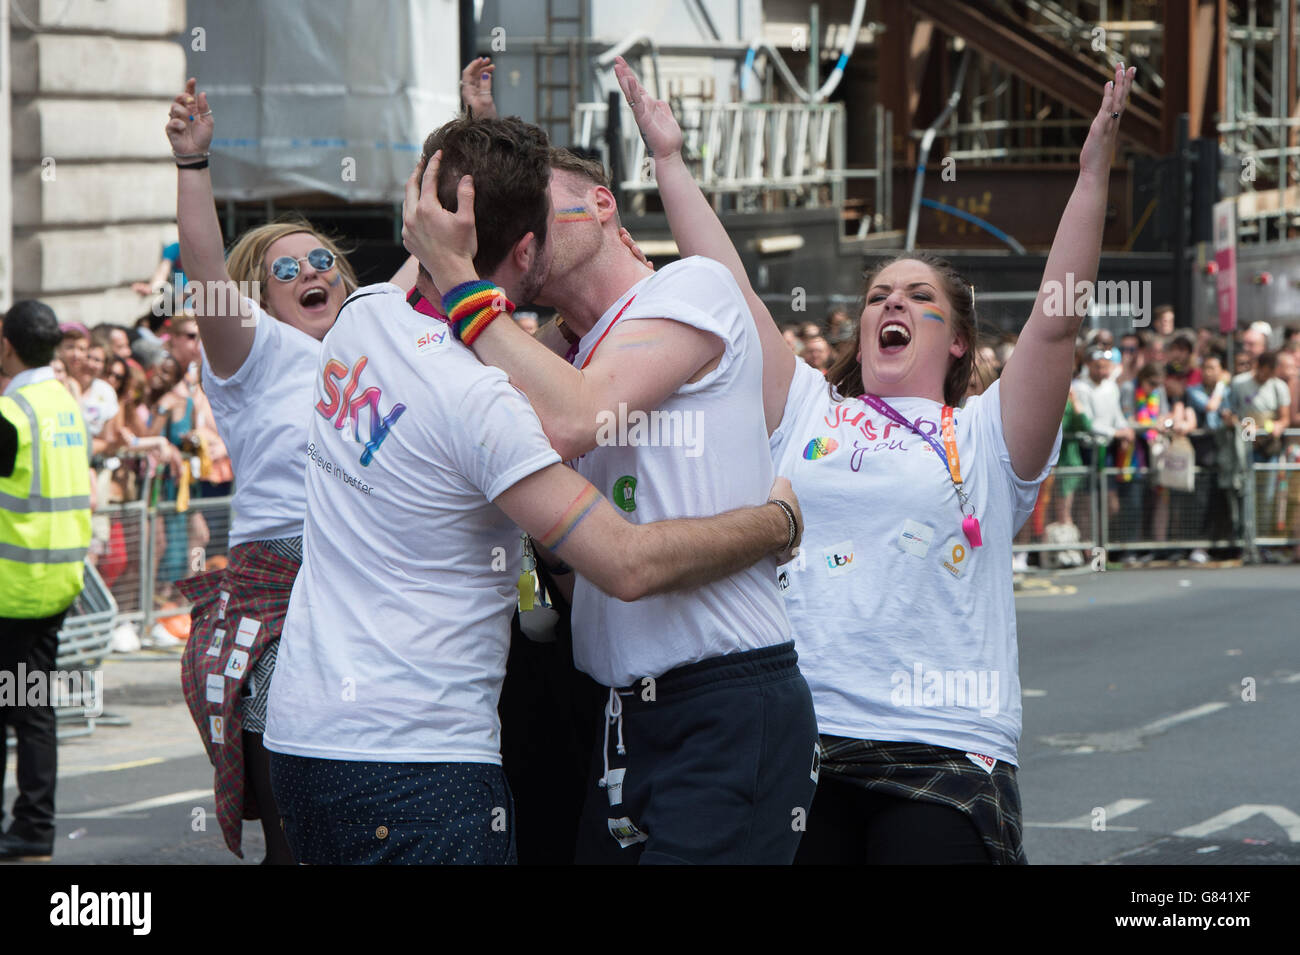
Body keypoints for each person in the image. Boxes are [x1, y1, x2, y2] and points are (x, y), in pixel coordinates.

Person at [614, 55, 1137, 862]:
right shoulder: (808, 410)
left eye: (919, 298)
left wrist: (1093, 172)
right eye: (878, 295)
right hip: (806, 737)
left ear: (957, 338)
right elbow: (730, 289)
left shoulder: (989, 433)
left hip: (941, 747)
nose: (893, 302)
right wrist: (671, 161)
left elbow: (1056, 321)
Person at [265, 116, 805, 865]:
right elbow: (620, 543)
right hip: (424, 758)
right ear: (524, 249)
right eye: (538, 216)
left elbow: (573, 404)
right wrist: (774, 525)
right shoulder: (489, 398)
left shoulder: (365, 319)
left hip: (304, 742)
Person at [163, 76, 426, 863]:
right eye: (289, 269)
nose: (313, 269)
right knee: (295, 831)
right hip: (280, 588)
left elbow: (426, 246)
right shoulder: (253, 356)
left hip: (373, 583)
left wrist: (472, 130)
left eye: (324, 261)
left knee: (377, 805)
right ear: (261, 299)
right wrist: (193, 166)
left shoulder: (374, 340)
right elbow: (207, 273)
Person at [0, 300, 93, 861]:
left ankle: (33, 827)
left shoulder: (12, 413)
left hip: (13, 587)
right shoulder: (62, 401)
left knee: (23, 711)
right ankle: (32, 825)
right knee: (31, 708)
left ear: (7, 346)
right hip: (56, 581)